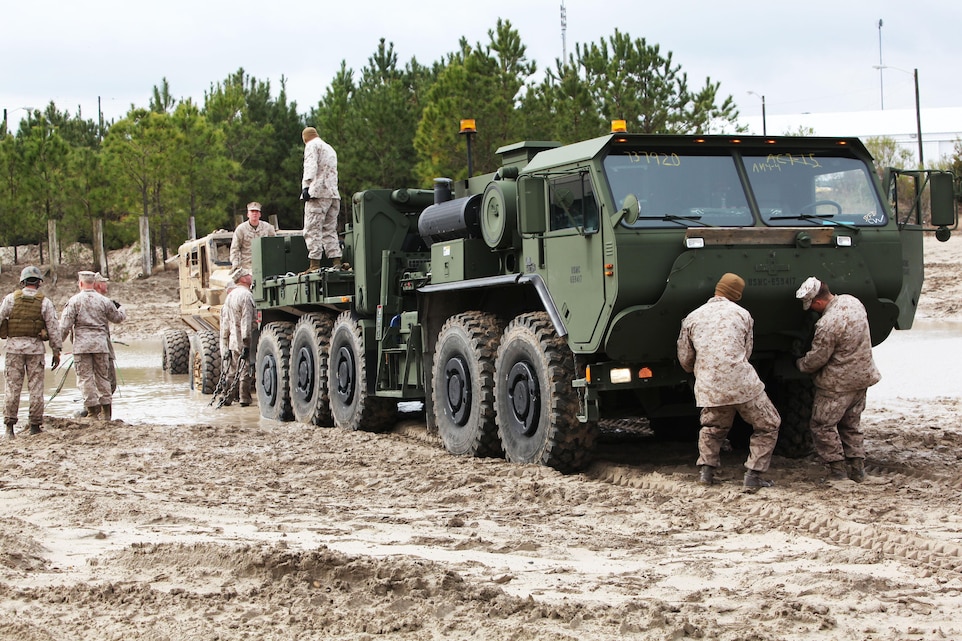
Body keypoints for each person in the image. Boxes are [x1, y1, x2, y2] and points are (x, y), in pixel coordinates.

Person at [677, 273, 781, 488]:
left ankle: (706, 473)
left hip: (709, 385)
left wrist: (703, 371)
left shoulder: (692, 317)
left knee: (713, 427)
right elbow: (747, 351)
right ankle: (753, 475)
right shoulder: (742, 314)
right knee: (769, 424)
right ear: (737, 294)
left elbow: (685, 358)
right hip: (742, 384)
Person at [795, 277, 880, 483]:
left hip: (837, 384)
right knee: (851, 424)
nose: (812, 310)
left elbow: (818, 358)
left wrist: (800, 364)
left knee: (822, 425)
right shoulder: (853, 302)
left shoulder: (827, 323)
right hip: (862, 377)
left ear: (818, 302)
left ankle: (838, 473)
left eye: (812, 306)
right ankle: (858, 471)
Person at [1, 266, 62, 437]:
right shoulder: (45, 302)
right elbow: (53, 328)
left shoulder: (10, 299)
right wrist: (56, 351)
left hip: (14, 350)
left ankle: (9, 427)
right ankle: (34, 426)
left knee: (12, 387)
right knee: (36, 388)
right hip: (35, 350)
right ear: (39, 282)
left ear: (23, 281)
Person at [60, 270, 126, 420]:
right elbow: (117, 318)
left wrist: (57, 346)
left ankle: (92, 413)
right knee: (103, 378)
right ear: (94, 283)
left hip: (82, 346)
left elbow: (64, 327)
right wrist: (122, 309)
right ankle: (107, 412)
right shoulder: (104, 301)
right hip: (101, 345)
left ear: (80, 283)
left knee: (85, 379)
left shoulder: (74, 301)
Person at [300, 126, 344, 273]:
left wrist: (306, 186)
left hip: (318, 193)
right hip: (333, 195)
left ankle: (314, 265)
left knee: (312, 229)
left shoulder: (312, 146)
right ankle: (336, 261)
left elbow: (310, 166)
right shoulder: (329, 148)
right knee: (329, 229)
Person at [221, 268, 255, 406]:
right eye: (248, 275)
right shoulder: (246, 295)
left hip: (233, 339)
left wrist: (225, 342)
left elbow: (225, 321)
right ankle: (244, 398)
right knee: (244, 369)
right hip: (242, 338)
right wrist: (247, 342)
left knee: (232, 369)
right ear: (242, 279)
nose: (251, 276)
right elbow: (246, 321)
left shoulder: (230, 296)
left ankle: (227, 397)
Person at [230, 201, 276, 270]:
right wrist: (236, 265)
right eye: (252, 211)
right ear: (248, 214)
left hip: (265, 265)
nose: (254, 213)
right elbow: (235, 249)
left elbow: (274, 245)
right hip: (247, 267)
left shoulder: (268, 228)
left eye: (256, 211)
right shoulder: (241, 229)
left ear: (260, 214)